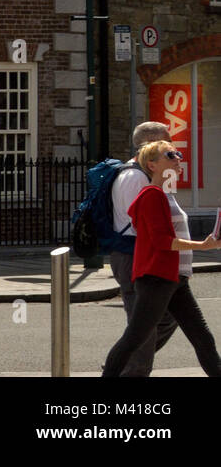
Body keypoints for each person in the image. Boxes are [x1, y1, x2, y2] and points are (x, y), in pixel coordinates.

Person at [102, 140, 221, 377]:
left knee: (201, 336)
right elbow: (162, 241)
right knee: (135, 338)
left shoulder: (164, 195)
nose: (177, 158)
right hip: (157, 278)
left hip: (174, 277)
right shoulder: (152, 195)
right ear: (152, 165)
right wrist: (204, 246)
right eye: (170, 155)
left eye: (178, 153)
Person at [108, 121, 178, 375]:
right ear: (149, 145)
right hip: (131, 257)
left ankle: (121, 361)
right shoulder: (134, 177)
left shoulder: (145, 176)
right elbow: (142, 226)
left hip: (143, 257)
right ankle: (129, 370)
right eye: (167, 145)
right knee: (144, 329)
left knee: (167, 318)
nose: (172, 149)